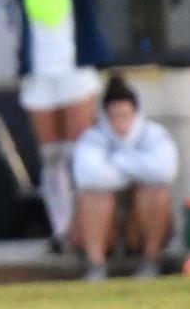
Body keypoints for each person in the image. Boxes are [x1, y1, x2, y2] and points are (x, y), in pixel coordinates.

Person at [0, 0, 115, 252]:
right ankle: (61, 229)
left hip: (75, 73)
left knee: (79, 155)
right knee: (52, 157)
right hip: (40, 77)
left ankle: (88, 230)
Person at [70, 75, 178, 282]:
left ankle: (151, 259)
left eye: (125, 115)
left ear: (136, 113)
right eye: (114, 116)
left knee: (156, 191)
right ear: (105, 116)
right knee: (93, 195)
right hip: (108, 227)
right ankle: (96, 264)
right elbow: (89, 177)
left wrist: (119, 161)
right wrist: (138, 169)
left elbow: (165, 172)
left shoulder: (154, 135)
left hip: (137, 226)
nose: (120, 123)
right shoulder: (92, 138)